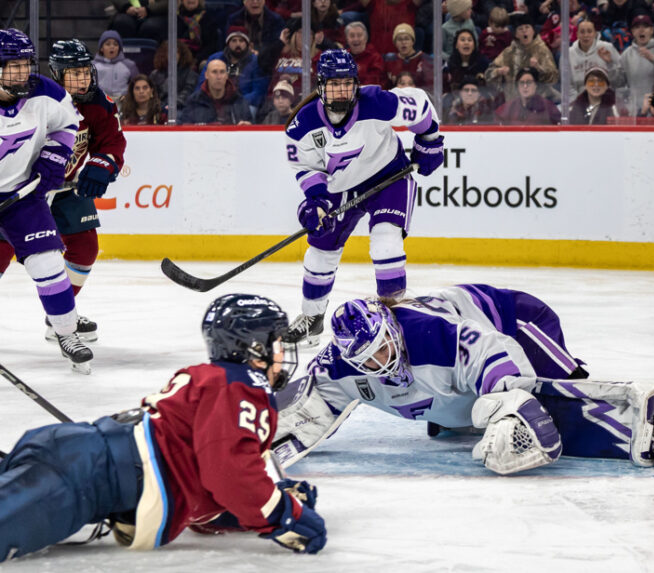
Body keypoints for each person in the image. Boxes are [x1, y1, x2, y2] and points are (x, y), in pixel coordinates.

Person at [0, 293, 327, 562]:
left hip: (80, 463)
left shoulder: (212, 380)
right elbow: (229, 473)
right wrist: (282, 514)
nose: (283, 354)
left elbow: (202, 491)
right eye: (279, 343)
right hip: (81, 478)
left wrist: (262, 501)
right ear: (256, 349)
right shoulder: (240, 386)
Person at [272, 285, 654, 476]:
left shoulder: (432, 334)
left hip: (516, 321)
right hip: (461, 368)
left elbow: (493, 350)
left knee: (553, 391)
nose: (380, 363)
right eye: (367, 359)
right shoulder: (338, 365)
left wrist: (505, 403)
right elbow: (302, 402)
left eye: (382, 348)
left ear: (392, 329)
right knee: (456, 416)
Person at [281, 49, 444, 344]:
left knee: (385, 243)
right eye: (334, 84)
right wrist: (315, 201)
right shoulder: (301, 125)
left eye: (347, 83)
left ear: (355, 83)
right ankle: (312, 317)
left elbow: (420, 106)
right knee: (319, 253)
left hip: (388, 177)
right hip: (340, 187)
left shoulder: (377, 102)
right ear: (321, 86)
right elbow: (306, 168)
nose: (341, 91)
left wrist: (430, 139)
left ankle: (395, 321)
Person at [0, 39, 127, 358]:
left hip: (64, 187)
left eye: (86, 72)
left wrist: (102, 164)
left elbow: (112, 141)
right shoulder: (34, 99)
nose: (83, 80)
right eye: (74, 74)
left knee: (85, 249)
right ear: (56, 74)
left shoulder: (99, 103)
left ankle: (60, 317)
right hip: (21, 191)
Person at [486, 13, 559, 104]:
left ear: (533, 31)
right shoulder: (509, 52)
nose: (524, 31)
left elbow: (553, 78)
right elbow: (488, 74)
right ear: (516, 34)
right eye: (520, 29)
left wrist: (539, 68)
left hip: (538, 102)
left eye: (527, 27)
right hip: (513, 102)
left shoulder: (542, 50)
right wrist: (499, 71)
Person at [198, 26, 269, 114]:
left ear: (247, 44)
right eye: (234, 40)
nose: (238, 44)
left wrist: (239, 102)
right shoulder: (215, 58)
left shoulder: (256, 61)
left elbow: (259, 91)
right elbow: (202, 83)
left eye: (241, 41)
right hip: (215, 101)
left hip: (245, 103)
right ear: (228, 43)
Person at [180, 59, 254, 125]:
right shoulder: (194, 101)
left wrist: (247, 127)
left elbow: (250, 126)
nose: (218, 77)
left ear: (226, 76)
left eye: (222, 72)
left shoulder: (239, 100)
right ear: (206, 75)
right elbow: (184, 126)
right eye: (214, 72)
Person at [569, 16, 625, 101]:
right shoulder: (568, 54)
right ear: (577, 34)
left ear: (595, 33)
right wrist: (577, 104)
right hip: (579, 103)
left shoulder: (607, 48)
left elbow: (620, 82)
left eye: (589, 31)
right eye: (582, 32)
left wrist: (610, 64)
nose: (586, 35)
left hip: (607, 101)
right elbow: (568, 87)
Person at [494, 67, 561, 125]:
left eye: (529, 82)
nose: (525, 86)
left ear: (536, 85)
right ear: (517, 86)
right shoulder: (510, 107)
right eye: (522, 82)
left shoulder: (548, 107)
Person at [149, 40, 197, 111]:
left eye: (176, 52)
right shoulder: (155, 74)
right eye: (169, 52)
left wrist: (173, 105)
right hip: (159, 109)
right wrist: (160, 106)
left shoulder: (190, 74)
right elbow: (151, 95)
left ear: (181, 54)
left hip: (181, 109)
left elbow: (187, 93)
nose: (173, 55)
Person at [93, 31, 140, 101]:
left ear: (119, 48)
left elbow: (138, 83)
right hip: (100, 102)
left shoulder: (129, 65)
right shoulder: (93, 65)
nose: (112, 47)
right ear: (101, 48)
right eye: (108, 44)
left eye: (115, 44)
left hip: (123, 102)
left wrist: (129, 95)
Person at [384, 23, 432, 89]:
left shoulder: (424, 59)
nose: (403, 42)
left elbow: (430, 86)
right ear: (395, 43)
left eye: (407, 39)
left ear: (413, 41)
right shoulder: (390, 60)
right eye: (400, 39)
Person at [443, 28, 490, 93]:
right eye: (462, 40)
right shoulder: (449, 64)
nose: (466, 43)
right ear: (456, 45)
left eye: (469, 40)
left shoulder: (483, 63)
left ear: (474, 46)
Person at [177, 0, 221, 65]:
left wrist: (196, 60)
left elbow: (211, 46)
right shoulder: (174, 18)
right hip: (178, 58)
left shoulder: (207, 18)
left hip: (200, 59)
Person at [344, 21, 387, 86]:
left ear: (366, 38)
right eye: (352, 36)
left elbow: (372, 83)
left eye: (359, 35)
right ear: (347, 39)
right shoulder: (342, 57)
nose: (356, 39)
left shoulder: (375, 58)